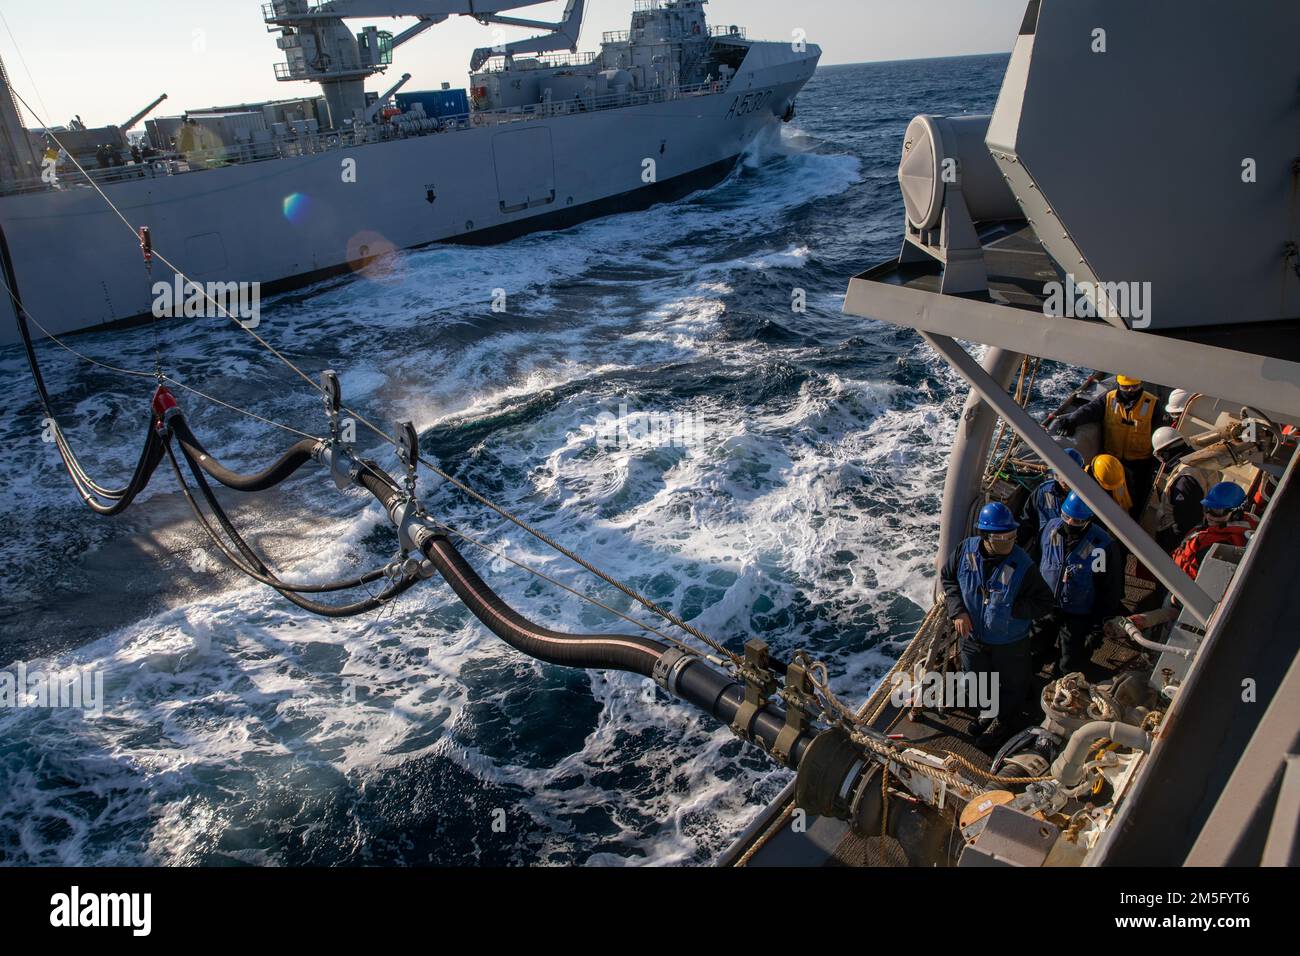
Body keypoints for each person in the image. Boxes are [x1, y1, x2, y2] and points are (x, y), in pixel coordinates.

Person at [939, 502, 1055, 748]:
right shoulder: (964, 551)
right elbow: (948, 578)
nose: (1008, 541)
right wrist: (958, 611)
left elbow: (1044, 601)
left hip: (1010, 643)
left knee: (1013, 685)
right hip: (972, 639)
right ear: (984, 535)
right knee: (976, 681)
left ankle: (1005, 722)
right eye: (1001, 536)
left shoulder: (1023, 565)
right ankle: (986, 713)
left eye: (1011, 535)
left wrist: (1013, 610)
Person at [1035, 492, 1124, 677]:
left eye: (1076, 521)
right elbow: (1036, 560)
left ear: (1088, 520)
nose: (1069, 523)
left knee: (1069, 663)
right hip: (1045, 608)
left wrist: (1099, 623)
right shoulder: (1050, 529)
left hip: (1077, 614)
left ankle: (1059, 696)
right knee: (1034, 650)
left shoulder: (1102, 546)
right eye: (1065, 517)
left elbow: (1109, 588)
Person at [1055, 376, 1164, 514]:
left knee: (1137, 498)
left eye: (1134, 386)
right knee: (1109, 496)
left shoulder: (1152, 404)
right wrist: (1071, 421)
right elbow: (1090, 410)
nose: (1130, 390)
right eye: (1126, 387)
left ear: (1140, 384)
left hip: (1140, 464)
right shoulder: (1108, 399)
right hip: (1111, 460)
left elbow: (1160, 433)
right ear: (1118, 384)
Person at [1151, 426, 1217, 551]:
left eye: (1161, 456)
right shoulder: (1198, 459)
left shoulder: (1185, 479)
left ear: (1165, 453)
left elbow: (1187, 518)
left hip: (1179, 538)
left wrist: (1174, 543)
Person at [1173, 482, 1258, 579]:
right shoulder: (1236, 523)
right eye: (1207, 507)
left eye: (1217, 511)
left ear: (1236, 513)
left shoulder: (1217, 546)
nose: (1209, 515)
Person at [1018, 447, 1086, 559]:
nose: (1064, 480)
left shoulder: (1087, 500)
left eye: (1070, 476)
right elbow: (1027, 522)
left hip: (1072, 557)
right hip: (1044, 554)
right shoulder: (1042, 492)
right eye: (1061, 474)